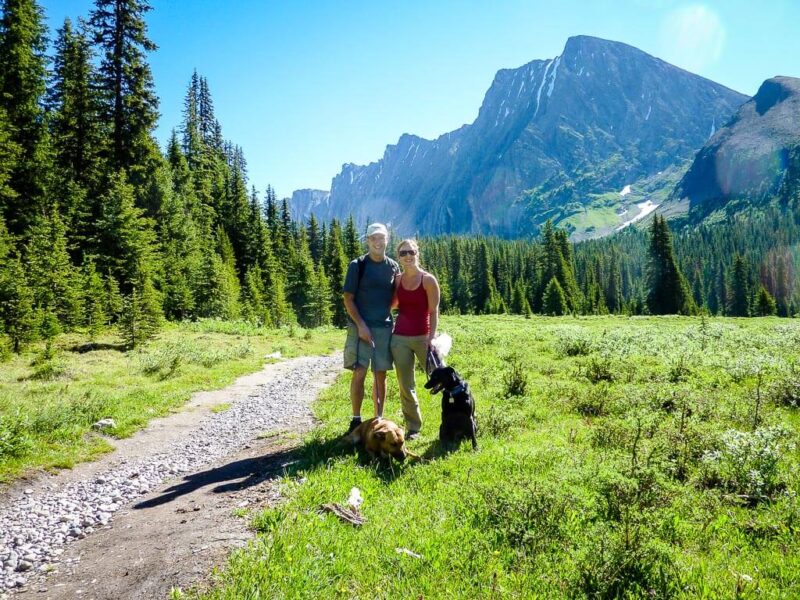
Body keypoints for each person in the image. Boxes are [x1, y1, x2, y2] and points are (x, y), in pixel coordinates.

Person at [342, 223, 400, 434]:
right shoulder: (357, 265)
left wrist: (385, 312)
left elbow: (396, 298)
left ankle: (378, 420)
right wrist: (361, 326)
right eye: (373, 238)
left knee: (380, 375)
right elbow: (348, 298)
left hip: (384, 328)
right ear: (367, 240)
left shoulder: (393, 266)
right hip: (360, 328)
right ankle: (356, 420)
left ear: (387, 239)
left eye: (381, 238)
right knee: (359, 372)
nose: (378, 242)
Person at [390, 239, 440, 439]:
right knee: (405, 385)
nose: (408, 256)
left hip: (423, 338)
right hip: (399, 339)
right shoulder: (397, 280)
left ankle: (457, 415)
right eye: (403, 253)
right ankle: (413, 427)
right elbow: (393, 304)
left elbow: (434, 311)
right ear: (399, 257)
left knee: (441, 378)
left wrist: (431, 338)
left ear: (417, 253)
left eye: (411, 252)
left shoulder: (428, 280)